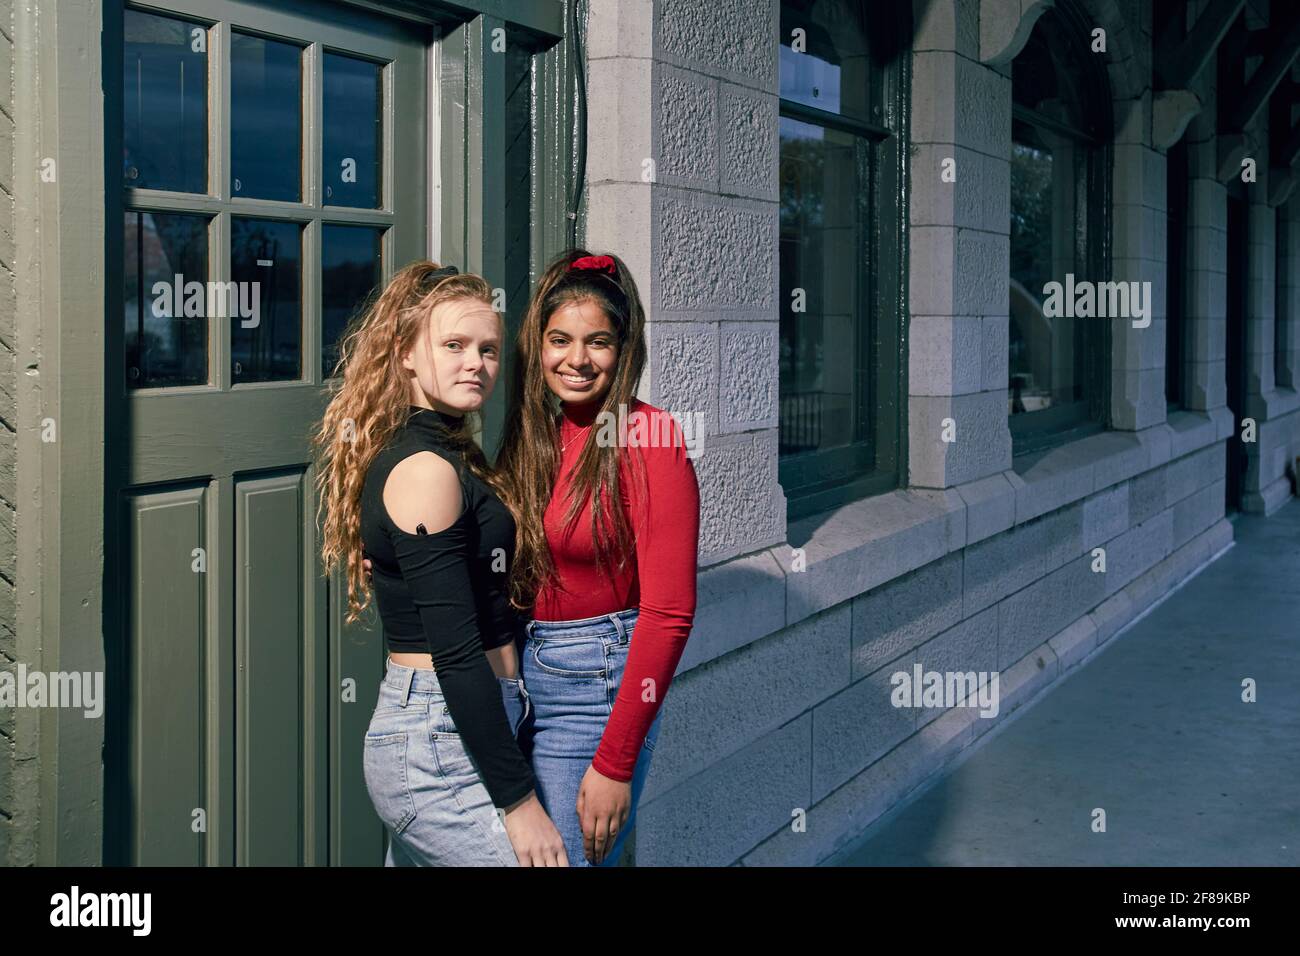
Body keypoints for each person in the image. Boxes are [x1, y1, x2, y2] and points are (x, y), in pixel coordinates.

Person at [313, 260, 568, 866]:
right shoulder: (425, 469)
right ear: (405, 351)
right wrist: (520, 803)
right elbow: (455, 652)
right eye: (453, 345)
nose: (475, 363)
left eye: (487, 348)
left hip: (465, 721)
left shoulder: (446, 450)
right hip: (438, 738)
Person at [495, 250, 701, 866]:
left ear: (624, 348)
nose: (577, 360)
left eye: (598, 342)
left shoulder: (649, 437)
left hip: (596, 686)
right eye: (560, 339)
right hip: (519, 677)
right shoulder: (534, 433)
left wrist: (615, 762)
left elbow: (669, 613)